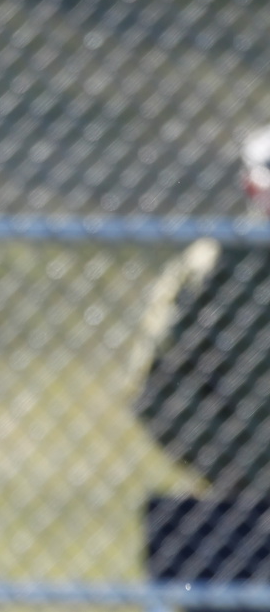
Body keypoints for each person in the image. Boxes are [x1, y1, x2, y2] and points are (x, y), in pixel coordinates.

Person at [134, 124, 270, 612]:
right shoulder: (215, 269)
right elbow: (159, 387)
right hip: (240, 505)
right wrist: (246, 465)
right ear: (252, 186)